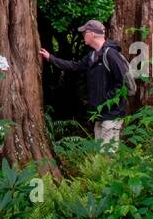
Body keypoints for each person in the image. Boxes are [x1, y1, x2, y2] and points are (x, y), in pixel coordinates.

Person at [40, 19, 128, 151]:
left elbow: (122, 83)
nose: (83, 36)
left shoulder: (111, 54)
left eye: (84, 32)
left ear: (92, 34)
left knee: (108, 155)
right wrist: (50, 58)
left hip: (111, 115)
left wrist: (105, 100)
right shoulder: (92, 56)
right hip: (99, 115)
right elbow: (75, 66)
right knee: (101, 154)